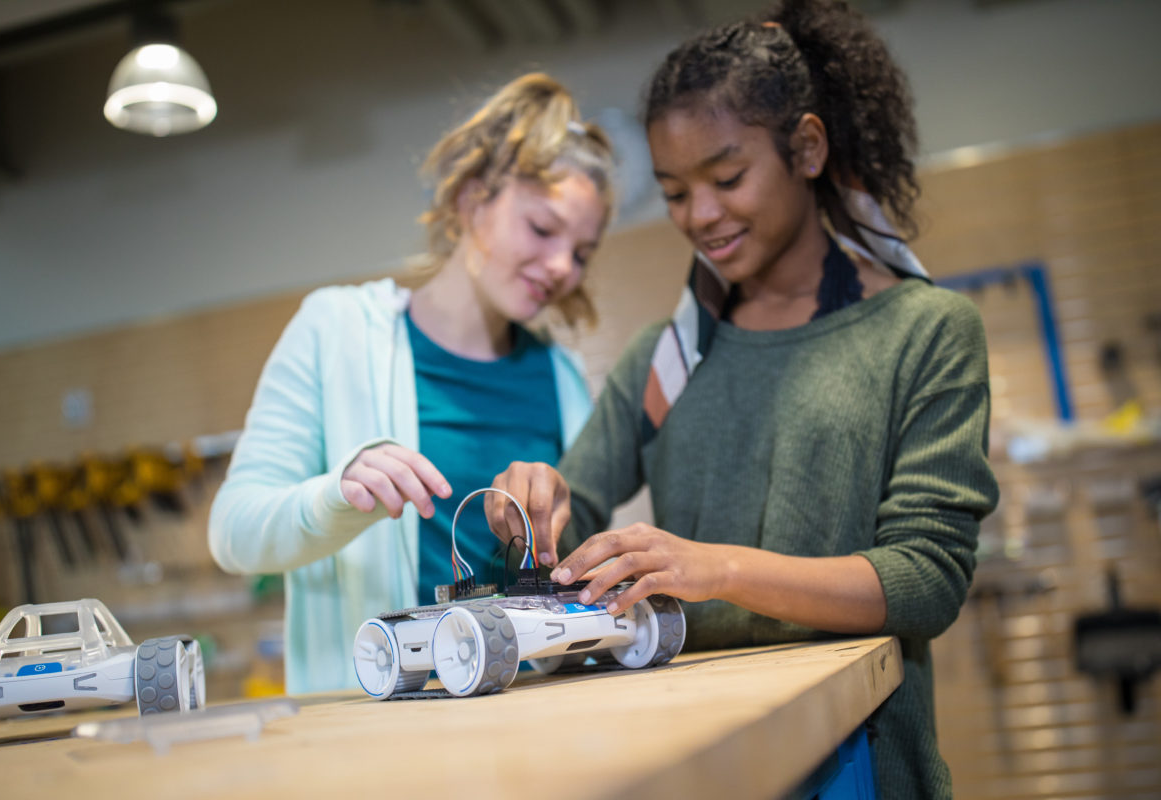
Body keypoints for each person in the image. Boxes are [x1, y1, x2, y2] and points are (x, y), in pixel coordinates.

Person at [484, 3, 998, 797]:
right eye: (676, 193)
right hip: (703, 759)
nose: (702, 216)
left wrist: (714, 568)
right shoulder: (667, 355)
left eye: (727, 178)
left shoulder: (924, 332)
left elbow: (926, 581)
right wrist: (535, 510)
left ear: (807, 148)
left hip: (861, 759)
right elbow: (572, 512)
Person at [208, 73, 616, 695]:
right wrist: (339, 496)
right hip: (372, 740)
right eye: (542, 229)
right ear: (472, 199)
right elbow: (233, 534)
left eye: (582, 252)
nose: (563, 266)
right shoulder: (334, 329)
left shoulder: (563, 379)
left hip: (536, 721)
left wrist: (562, 525)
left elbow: (580, 580)